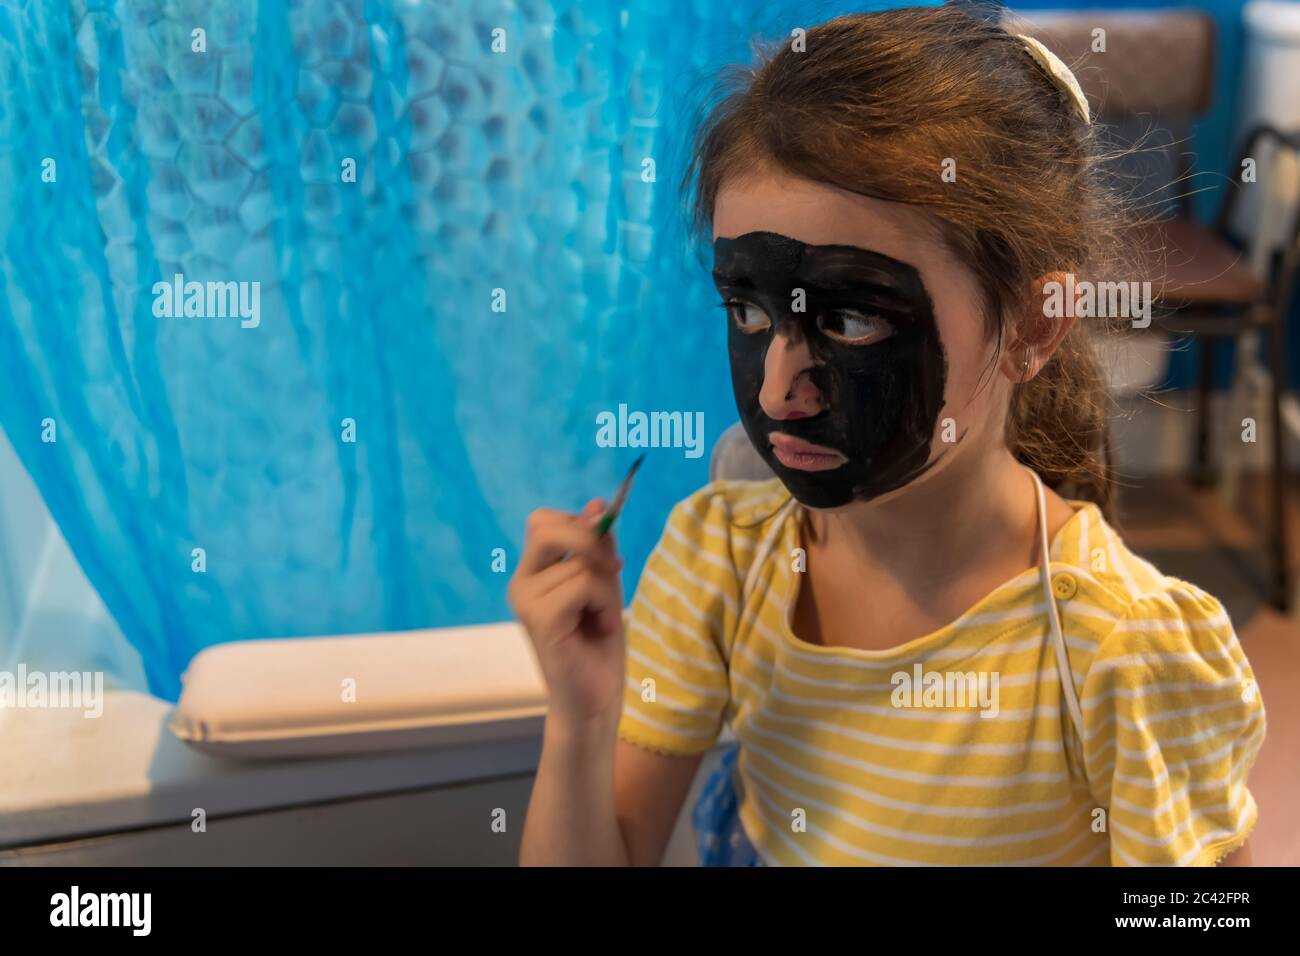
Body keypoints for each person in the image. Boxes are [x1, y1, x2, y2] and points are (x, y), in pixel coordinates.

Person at [508, 3, 1266, 866]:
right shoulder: (718, 563)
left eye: (855, 319)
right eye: (749, 310)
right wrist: (580, 718)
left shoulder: (1120, 653)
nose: (778, 388)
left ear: (1031, 328)